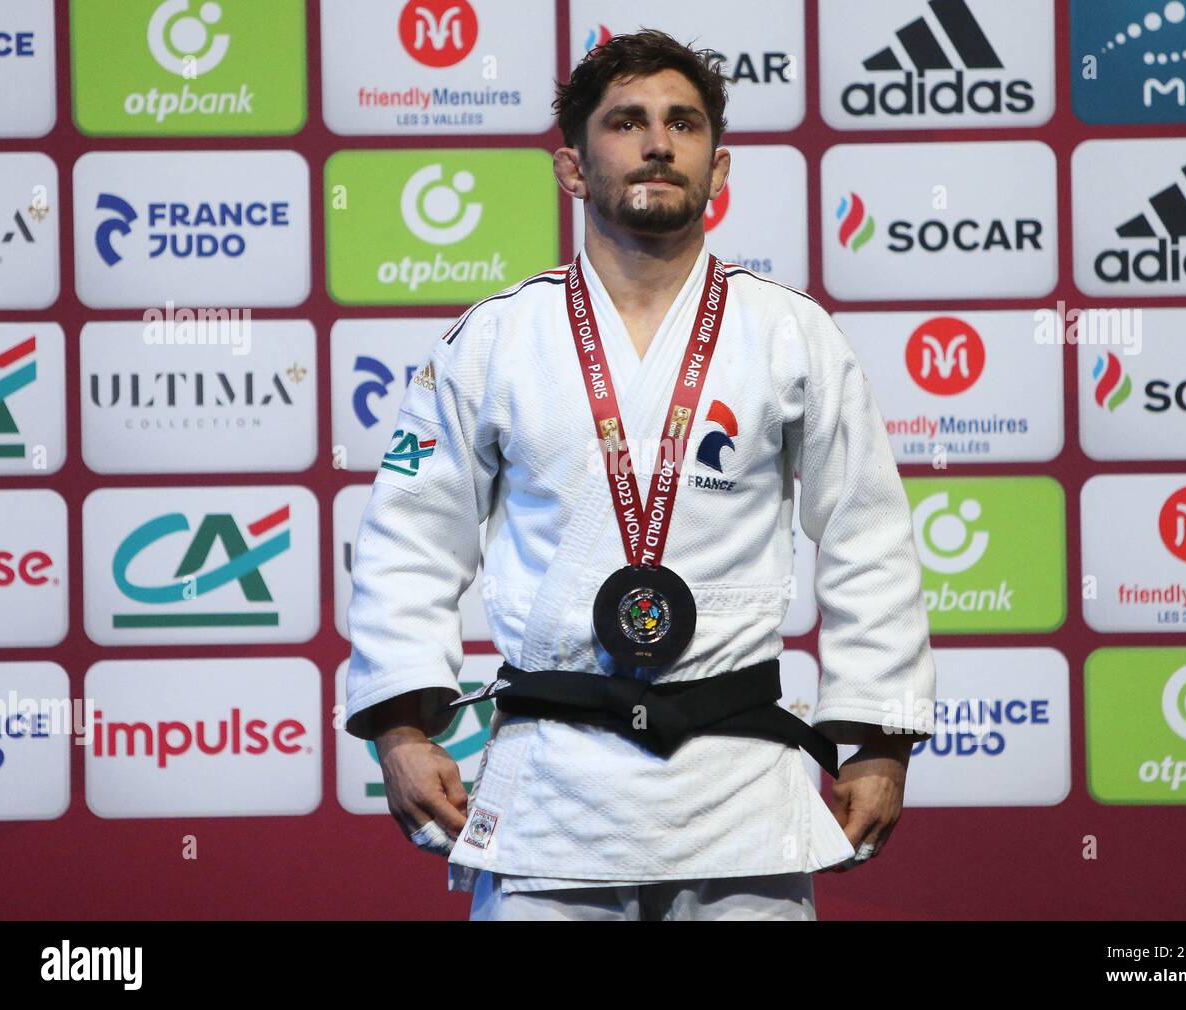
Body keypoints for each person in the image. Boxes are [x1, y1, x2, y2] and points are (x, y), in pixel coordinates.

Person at [342, 28, 936, 921]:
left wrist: (880, 740)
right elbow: (408, 540)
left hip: (740, 794)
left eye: (683, 124)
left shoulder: (789, 333)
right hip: (554, 796)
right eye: (627, 122)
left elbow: (869, 535)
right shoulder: (496, 341)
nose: (659, 142)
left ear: (719, 167)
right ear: (572, 169)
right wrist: (399, 727)